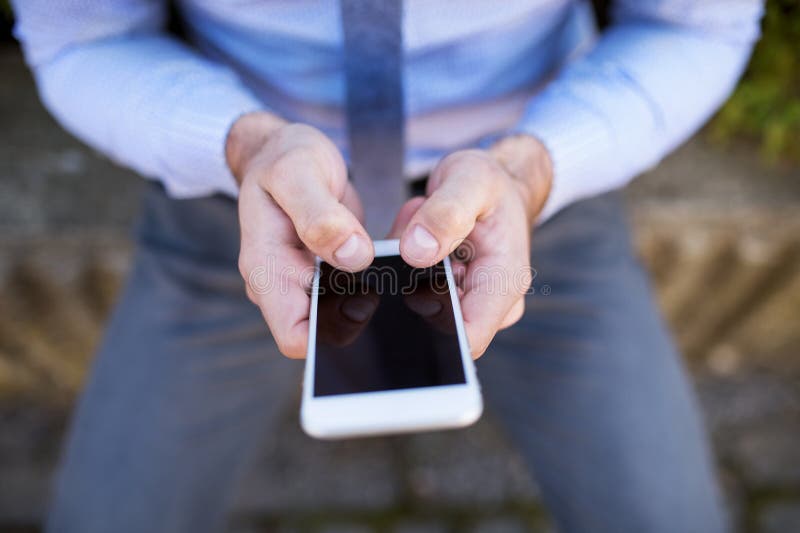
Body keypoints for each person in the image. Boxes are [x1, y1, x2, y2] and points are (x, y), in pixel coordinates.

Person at [12, 1, 764, 532]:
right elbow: (81, 34)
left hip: (534, 203)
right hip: (237, 208)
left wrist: (533, 169)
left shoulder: (534, 187)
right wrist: (245, 146)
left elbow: (696, 23)